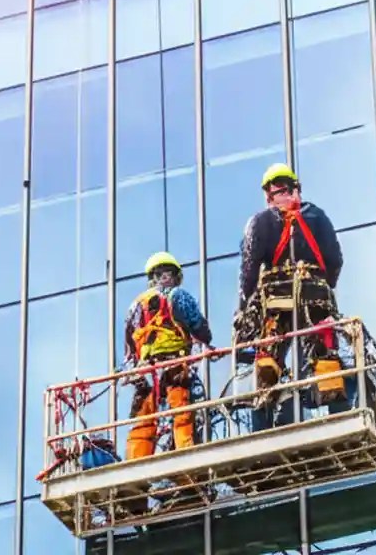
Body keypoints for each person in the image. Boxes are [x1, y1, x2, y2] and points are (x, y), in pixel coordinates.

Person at [235, 164, 348, 427]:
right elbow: (335, 259)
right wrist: (325, 285)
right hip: (315, 297)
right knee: (324, 356)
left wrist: (243, 310)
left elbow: (249, 271)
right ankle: (337, 414)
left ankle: (263, 417)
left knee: (268, 358)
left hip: (277, 300)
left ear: (269, 193)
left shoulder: (261, 221)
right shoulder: (318, 217)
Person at [123, 251, 212, 460]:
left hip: (145, 371)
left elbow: (129, 347)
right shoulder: (179, 296)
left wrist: (130, 372)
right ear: (176, 276)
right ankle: (186, 460)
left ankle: (136, 465)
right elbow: (200, 328)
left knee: (143, 422)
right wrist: (205, 339)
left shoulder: (136, 304)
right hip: (175, 367)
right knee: (183, 415)